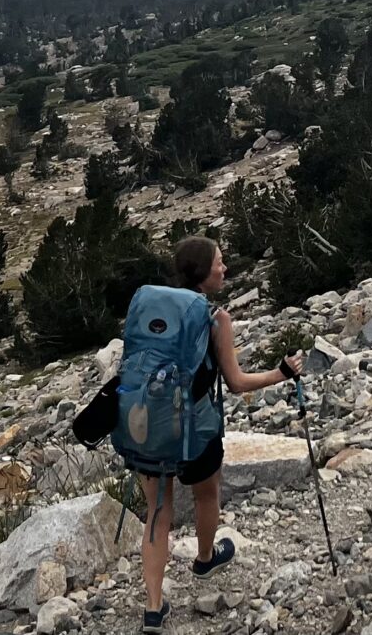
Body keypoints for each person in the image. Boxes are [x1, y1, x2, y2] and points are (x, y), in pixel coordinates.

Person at [138, 235, 302, 632]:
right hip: (196, 427)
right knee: (206, 492)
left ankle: (154, 607)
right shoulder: (216, 318)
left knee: (158, 513)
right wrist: (282, 373)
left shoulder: (151, 306)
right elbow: (236, 382)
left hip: (146, 424)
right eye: (219, 262)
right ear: (202, 271)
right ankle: (205, 558)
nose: (224, 268)